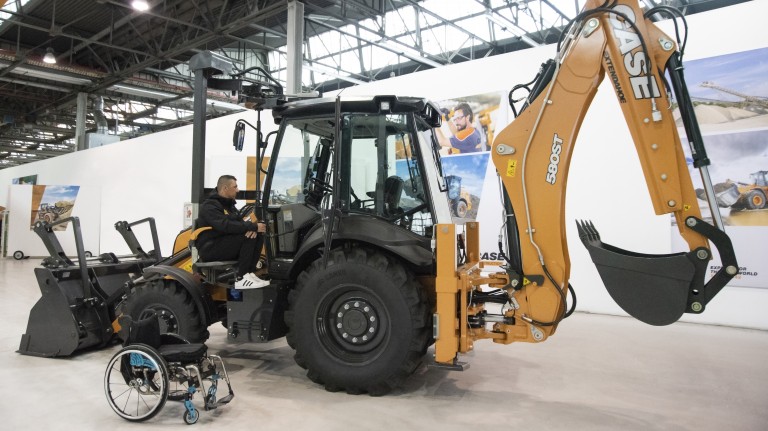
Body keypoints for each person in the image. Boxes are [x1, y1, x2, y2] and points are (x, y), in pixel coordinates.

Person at [196, 175, 269, 289]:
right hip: (210, 248)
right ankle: (241, 277)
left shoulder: (230, 206)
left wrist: (252, 229)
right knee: (249, 236)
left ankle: (249, 273)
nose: (238, 190)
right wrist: (252, 227)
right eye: (235, 187)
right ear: (225, 188)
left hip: (223, 243)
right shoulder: (209, 206)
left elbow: (238, 224)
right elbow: (225, 225)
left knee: (257, 235)